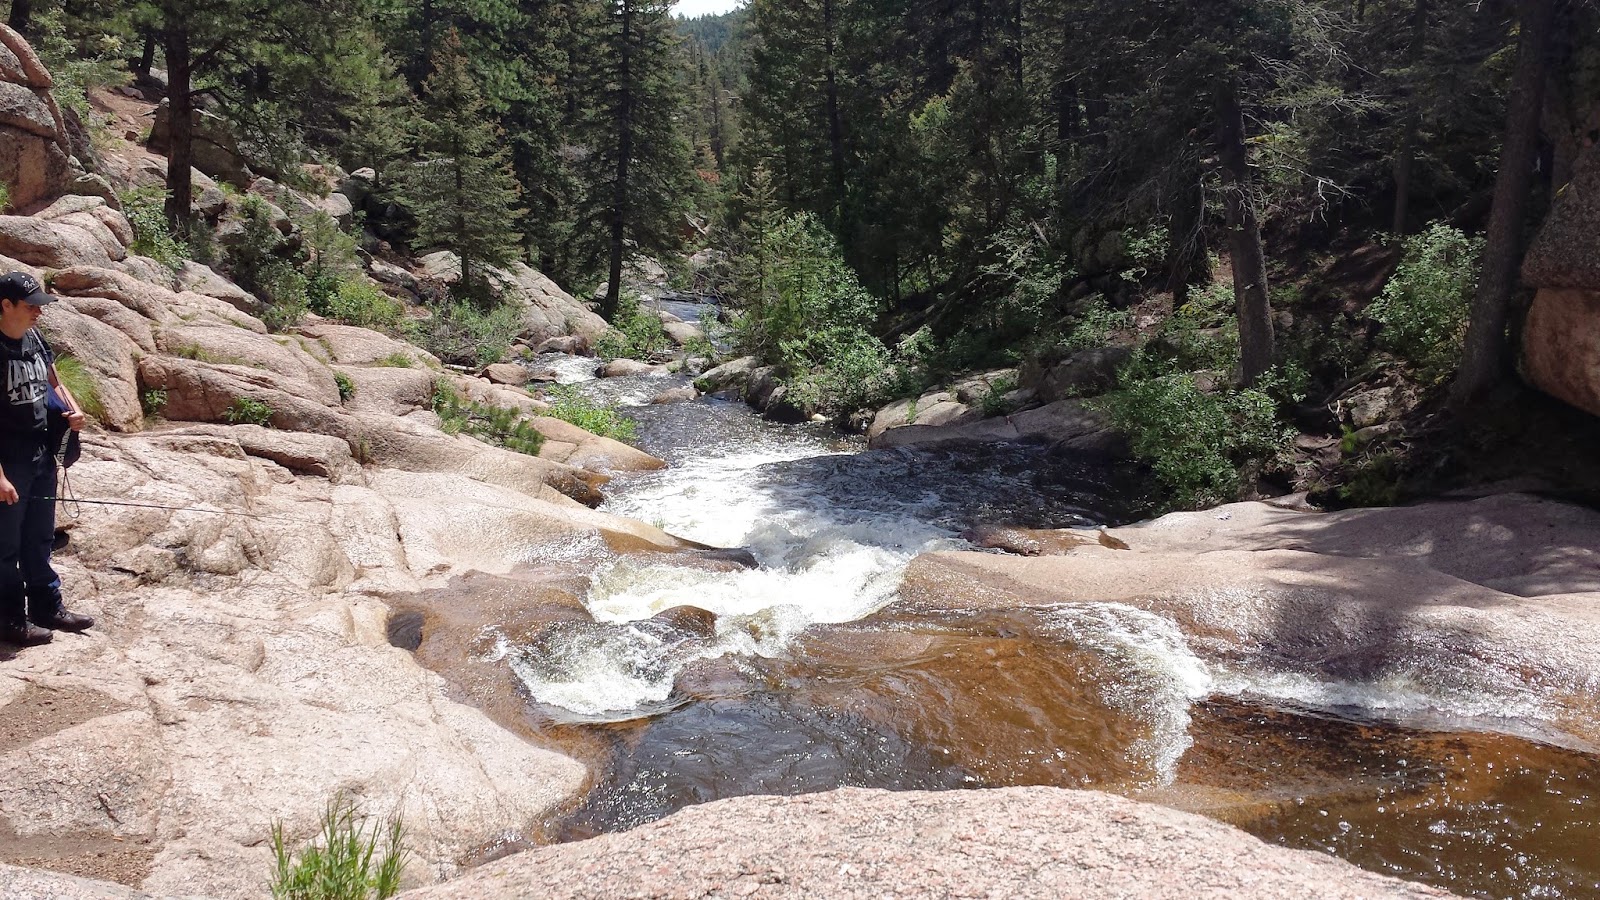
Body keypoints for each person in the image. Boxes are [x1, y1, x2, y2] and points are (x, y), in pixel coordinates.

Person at [0, 272, 93, 646]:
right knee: (5, 545)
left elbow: (54, 381)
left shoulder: (36, 338)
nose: (39, 311)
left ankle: (46, 607)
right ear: (5, 306)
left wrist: (73, 409)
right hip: (9, 460)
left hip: (40, 453)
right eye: (30, 305)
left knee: (39, 536)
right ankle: (8, 620)